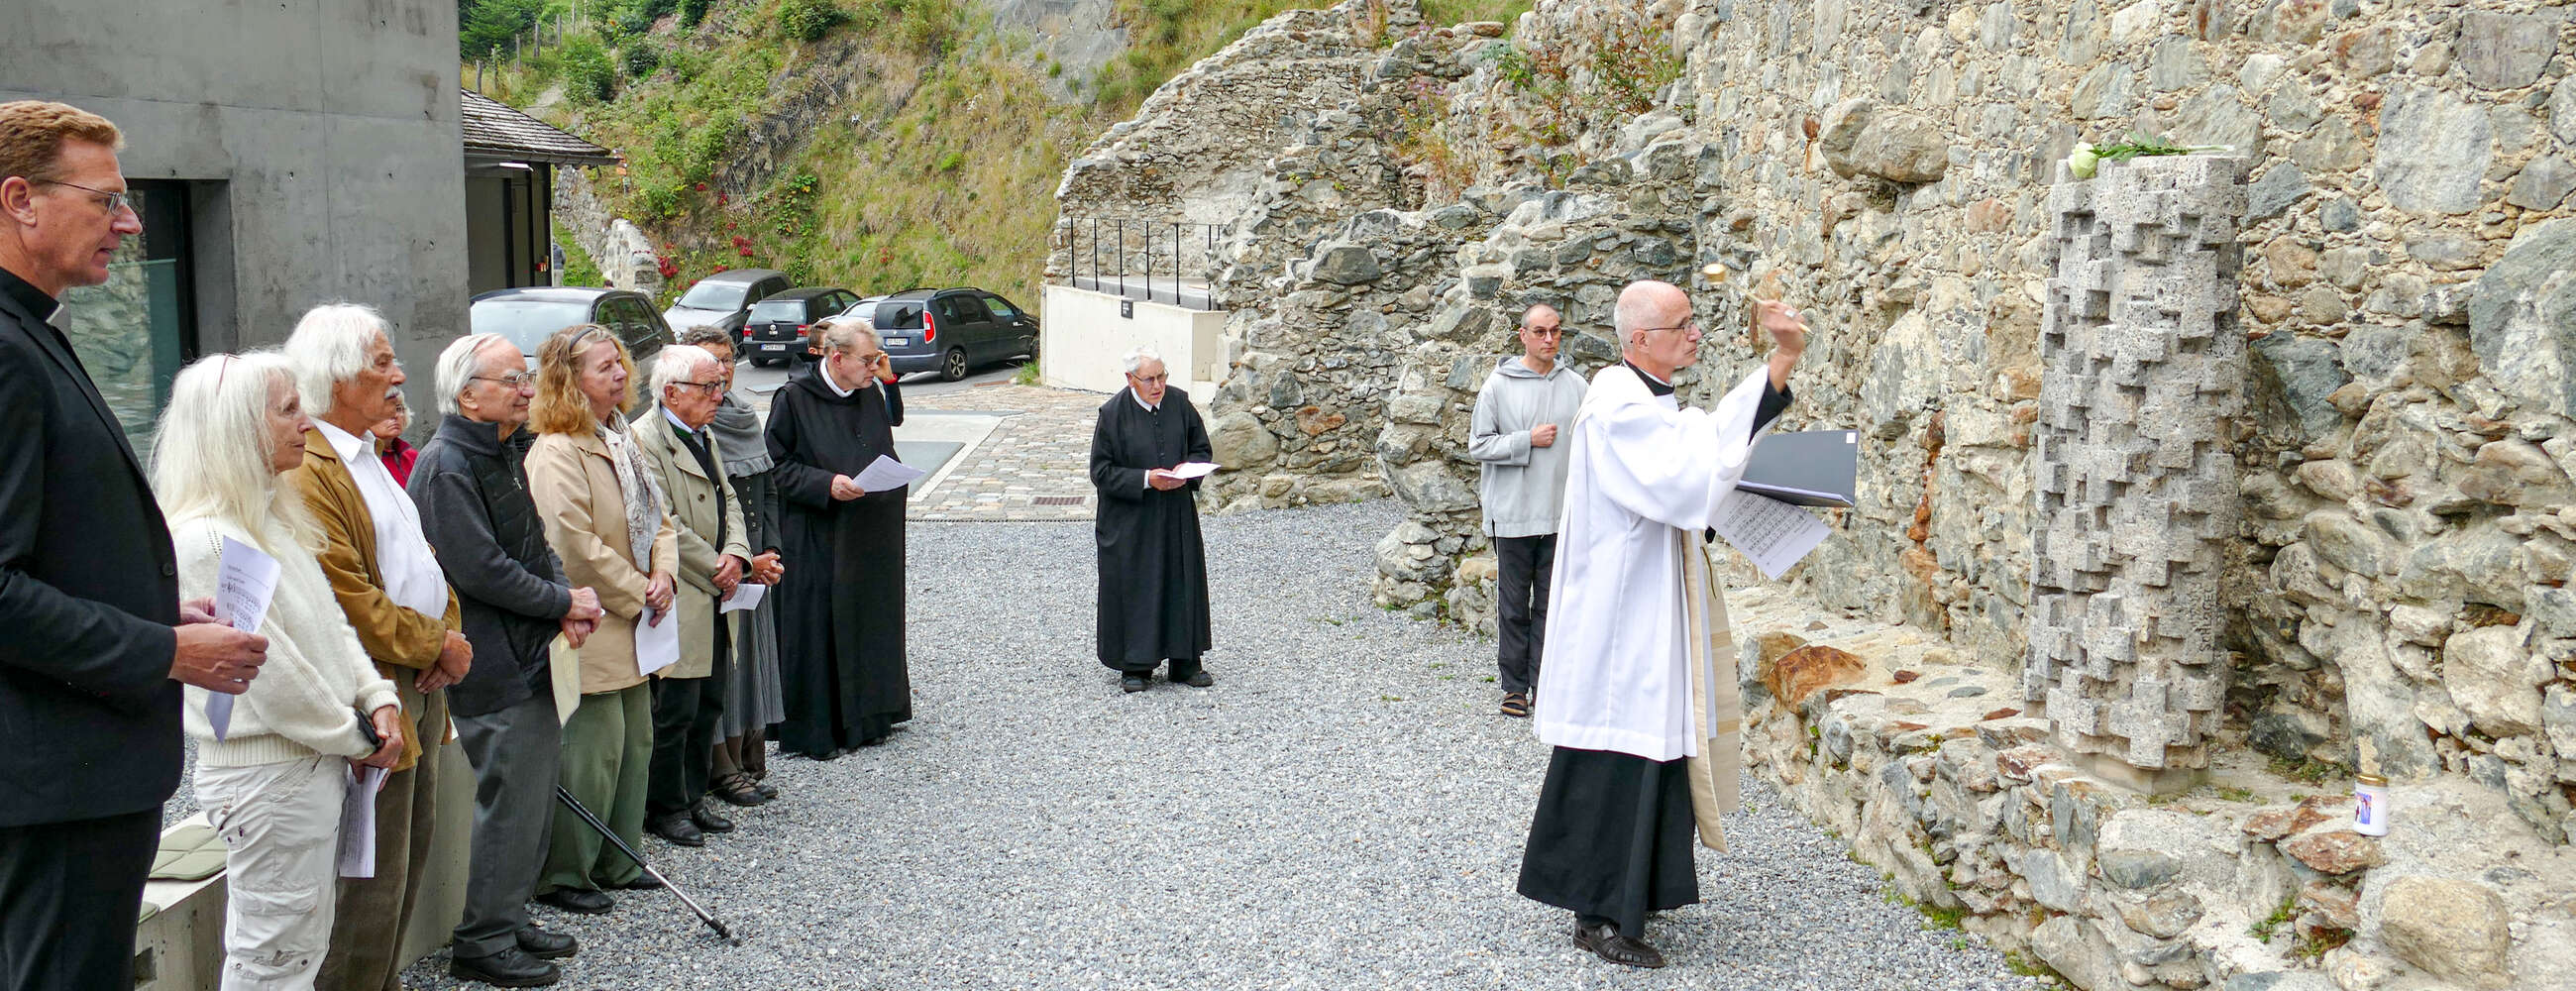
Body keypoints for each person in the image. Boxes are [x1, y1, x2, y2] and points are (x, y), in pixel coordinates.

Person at [0, 99, 268, 991]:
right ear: (19, 199)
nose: (131, 221)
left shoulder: (31, 331)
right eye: (106, 200)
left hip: (67, 771)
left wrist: (149, 606)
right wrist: (162, 649)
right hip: (56, 778)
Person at [1516, 279, 1806, 968]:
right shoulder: (1618, 406)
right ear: (1640, 339)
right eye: (1682, 325)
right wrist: (1775, 366)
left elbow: (1696, 445)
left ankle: (1628, 900)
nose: (1695, 334)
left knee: (1646, 752)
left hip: (1645, 606)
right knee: (1617, 756)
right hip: (1622, 621)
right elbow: (1689, 473)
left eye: (1693, 322)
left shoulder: (1644, 398)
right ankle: (1599, 916)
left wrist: (1780, 367)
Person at [156, 352, 405, 991]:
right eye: (289, 409)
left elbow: (328, 626)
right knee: (274, 952)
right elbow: (271, 672)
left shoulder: (266, 519)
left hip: (302, 762)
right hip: (270, 772)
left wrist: (375, 695)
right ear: (237, 426)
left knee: (299, 942)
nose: (306, 421)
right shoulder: (210, 540)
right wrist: (357, 736)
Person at [280, 302, 471, 991]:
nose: (398, 376)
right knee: (367, 887)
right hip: (375, 696)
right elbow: (347, 597)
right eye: (382, 363)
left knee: (403, 868)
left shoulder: (367, 457)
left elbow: (423, 560)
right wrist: (437, 645)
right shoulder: (311, 466)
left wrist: (444, 634)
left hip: (414, 684)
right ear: (338, 378)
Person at [410, 333, 604, 986]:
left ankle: (510, 915)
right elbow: (481, 570)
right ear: (468, 395)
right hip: (492, 663)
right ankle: (483, 940)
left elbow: (534, 544)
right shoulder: (447, 466)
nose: (528, 390)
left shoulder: (502, 450)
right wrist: (560, 603)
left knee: (531, 797)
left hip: (529, 652)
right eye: (512, 380)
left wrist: (565, 601)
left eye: (525, 379)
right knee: (510, 801)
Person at [525, 324, 678, 914]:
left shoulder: (619, 434)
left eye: (619, 362)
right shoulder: (558, 451)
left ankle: (621, 858)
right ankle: (567, 872)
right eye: (603, 366)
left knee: (637, 743)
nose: (619, 373)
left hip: (638, 618)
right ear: (569, 381)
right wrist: (642, 589)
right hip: (596, 621)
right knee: (592, 753)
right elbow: (572, 545)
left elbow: (657, 517)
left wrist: (663, 573)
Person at [628, 345, 761, 846]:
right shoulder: (645, 439)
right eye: (708, 388)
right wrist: (717, 566)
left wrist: (738, 554)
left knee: (708, 703)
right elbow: (664, 523)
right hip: (684, 592)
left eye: (719, 385)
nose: (719, 395)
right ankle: (665, 807)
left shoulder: (702, 432)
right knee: (675, 708)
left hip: (715, 590)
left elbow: (730, 499)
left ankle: (691, 796)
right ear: (671, 393)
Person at [765, 317, 911, 756]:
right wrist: (825, 484)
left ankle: (870, 715)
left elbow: (883, 442)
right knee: (822, 628)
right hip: (819, 535)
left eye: (877, 359)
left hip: (869, 532)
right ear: (836, 357)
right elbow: (776, 467)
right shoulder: (793, 399)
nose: (875, 368)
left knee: (871, 621)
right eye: (868, 360)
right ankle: (822, 728)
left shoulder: (868, 392)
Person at [682, 326, 787, 806]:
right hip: (720, 568)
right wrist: (743, 563)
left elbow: (766, 490)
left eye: (727, 359)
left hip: (758, 558)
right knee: (724, 666)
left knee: (755, 662)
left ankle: (750, 757)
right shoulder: (689, 428)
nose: (722, 371)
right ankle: (720, 769)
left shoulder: (742, 416)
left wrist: (772, 554)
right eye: (710, 362)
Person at [1467, 304, 1586, 719]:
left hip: (1559, 515)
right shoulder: (1497, 387)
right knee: (1514, 605)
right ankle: (1514, 689)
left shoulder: (1576, 386)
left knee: (1552, 605)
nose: (1549, 339)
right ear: (1523, 336)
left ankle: (1546, 685)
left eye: (1555, 331)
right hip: (1514, 514)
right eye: (1540, 332)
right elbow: (1478, 445)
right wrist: (1525, 441)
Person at [1087, 346, 1215, 694]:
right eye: (1150, 379)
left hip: (1175, 513)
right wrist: (1146, 479)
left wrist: (1187, 473)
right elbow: (1100, 471)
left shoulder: (1179, 403)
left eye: (1162, 376)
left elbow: (1201, 448)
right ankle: (1136, 665)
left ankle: (1185, 661)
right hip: (1131, 520)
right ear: (1131, 380)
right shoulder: (1112, 414)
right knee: (1136, 585)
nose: (1158, 385)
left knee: (1181, 581)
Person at [373, 394, 419, 487]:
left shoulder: (412, 457)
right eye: (383, 409)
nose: (394, 415)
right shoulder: (363, 459)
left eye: (398, 409)